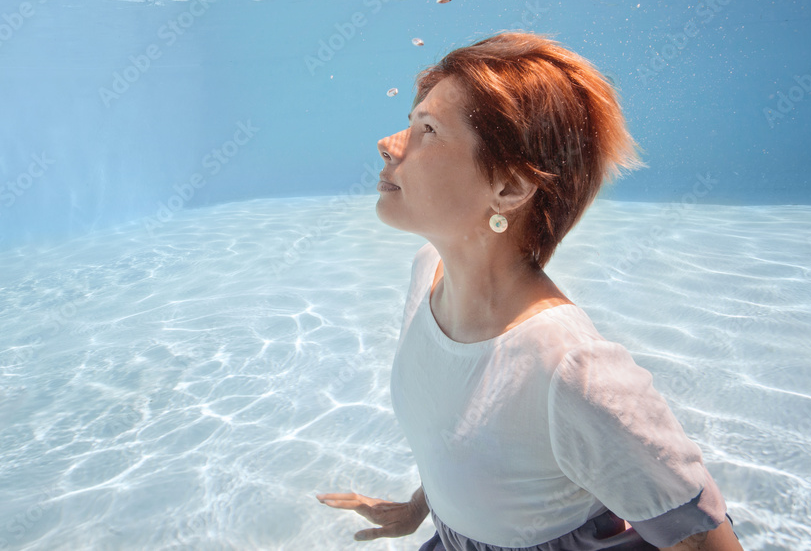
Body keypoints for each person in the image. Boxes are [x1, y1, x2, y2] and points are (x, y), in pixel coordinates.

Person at [317, 31, 743, 550]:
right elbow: (472, 431)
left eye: (428, 129)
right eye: (411, 121)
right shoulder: (429, 270)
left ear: (510, 189)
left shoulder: (573, 372)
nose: (390, 143)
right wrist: (420, 508)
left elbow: (702, 542)